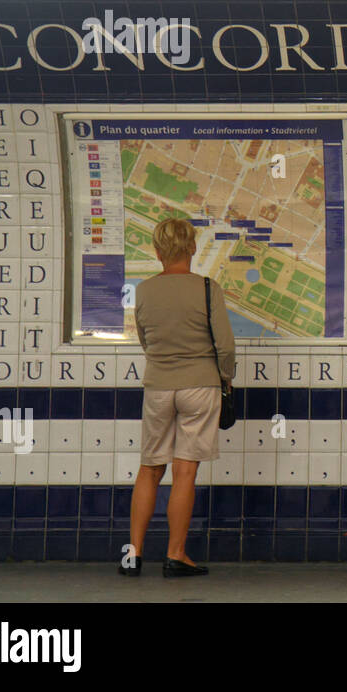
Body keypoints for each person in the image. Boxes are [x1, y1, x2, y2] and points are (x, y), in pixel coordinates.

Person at [122, 218, 235, 578]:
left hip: (158, 386)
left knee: (150, 468)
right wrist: (226, 378)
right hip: (200, 385)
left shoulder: (144, 291)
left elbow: (145, 339)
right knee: (184, 472)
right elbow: (226, 346)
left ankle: (134, 554)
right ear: (193, 248)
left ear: (156, 252)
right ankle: (175, 555)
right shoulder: (207, 288)